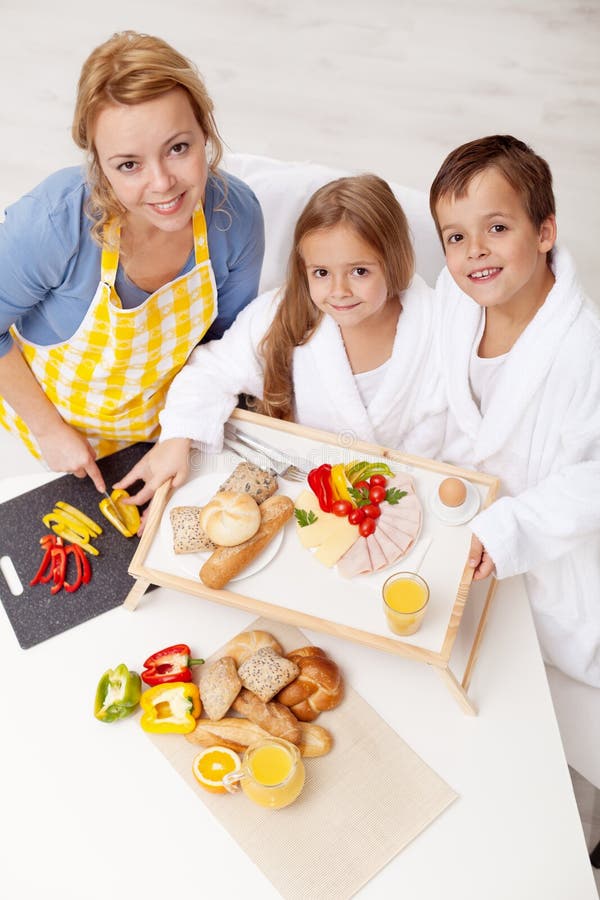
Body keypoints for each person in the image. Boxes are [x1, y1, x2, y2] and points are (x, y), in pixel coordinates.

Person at [0, 31, 264, 491]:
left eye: (178, 147)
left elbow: (224, 348)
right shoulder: (52, 223)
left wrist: (181, 434)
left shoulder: (235, 219)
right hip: (54, 427)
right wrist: (48, 430)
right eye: (128, 165)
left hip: (164, 428)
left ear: (205, 129)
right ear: (98, 164)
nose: (162, 183)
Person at [116, 173, 445, 505]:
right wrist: (179, 434)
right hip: (298, 488)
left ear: (394, 260)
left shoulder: (433, 329)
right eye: (321, 273)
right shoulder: (281, 314)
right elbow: (211, 370)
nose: (339, 291)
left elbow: (446, 429)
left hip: (397, 498)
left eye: (359, 271)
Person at [430, 134, 600, 686]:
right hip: (463, 522)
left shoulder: (581, 351)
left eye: (497, 228)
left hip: (543, 546)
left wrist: (512, 529)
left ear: (545, 232)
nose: (475, 250)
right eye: (457, 236)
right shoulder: (455, 298)